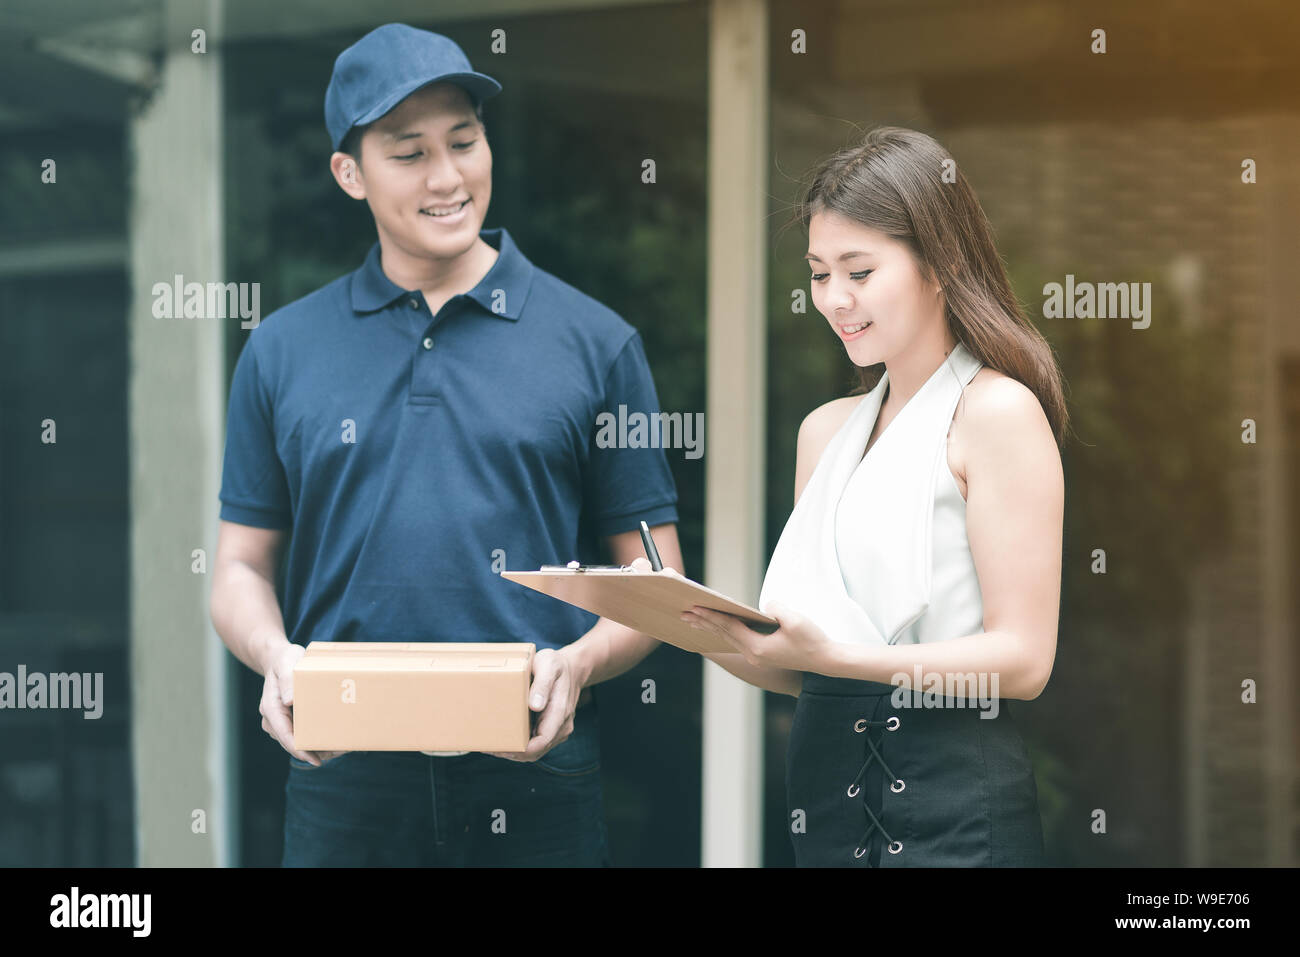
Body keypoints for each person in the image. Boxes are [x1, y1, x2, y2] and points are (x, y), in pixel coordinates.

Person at [209, 23, 684, 867]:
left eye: (464, 142)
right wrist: (275, 656)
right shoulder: (281, 350)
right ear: (349, 173)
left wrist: (577, 664)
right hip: (344, 775)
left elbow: (657, 578)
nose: (448, 177)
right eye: (410, 153)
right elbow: (241, 566)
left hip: (534, 768)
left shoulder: (597, 343)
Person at [681, 126, 1067, 866]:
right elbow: (806, 668)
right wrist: (682, 620)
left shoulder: (996, 413)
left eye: (859, 270)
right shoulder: (825, 432)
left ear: (941, 264)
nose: (835, 299)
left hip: (956, 813)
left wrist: (841, 656)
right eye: (819, 273)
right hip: (826, 809)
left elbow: (1024, 661)